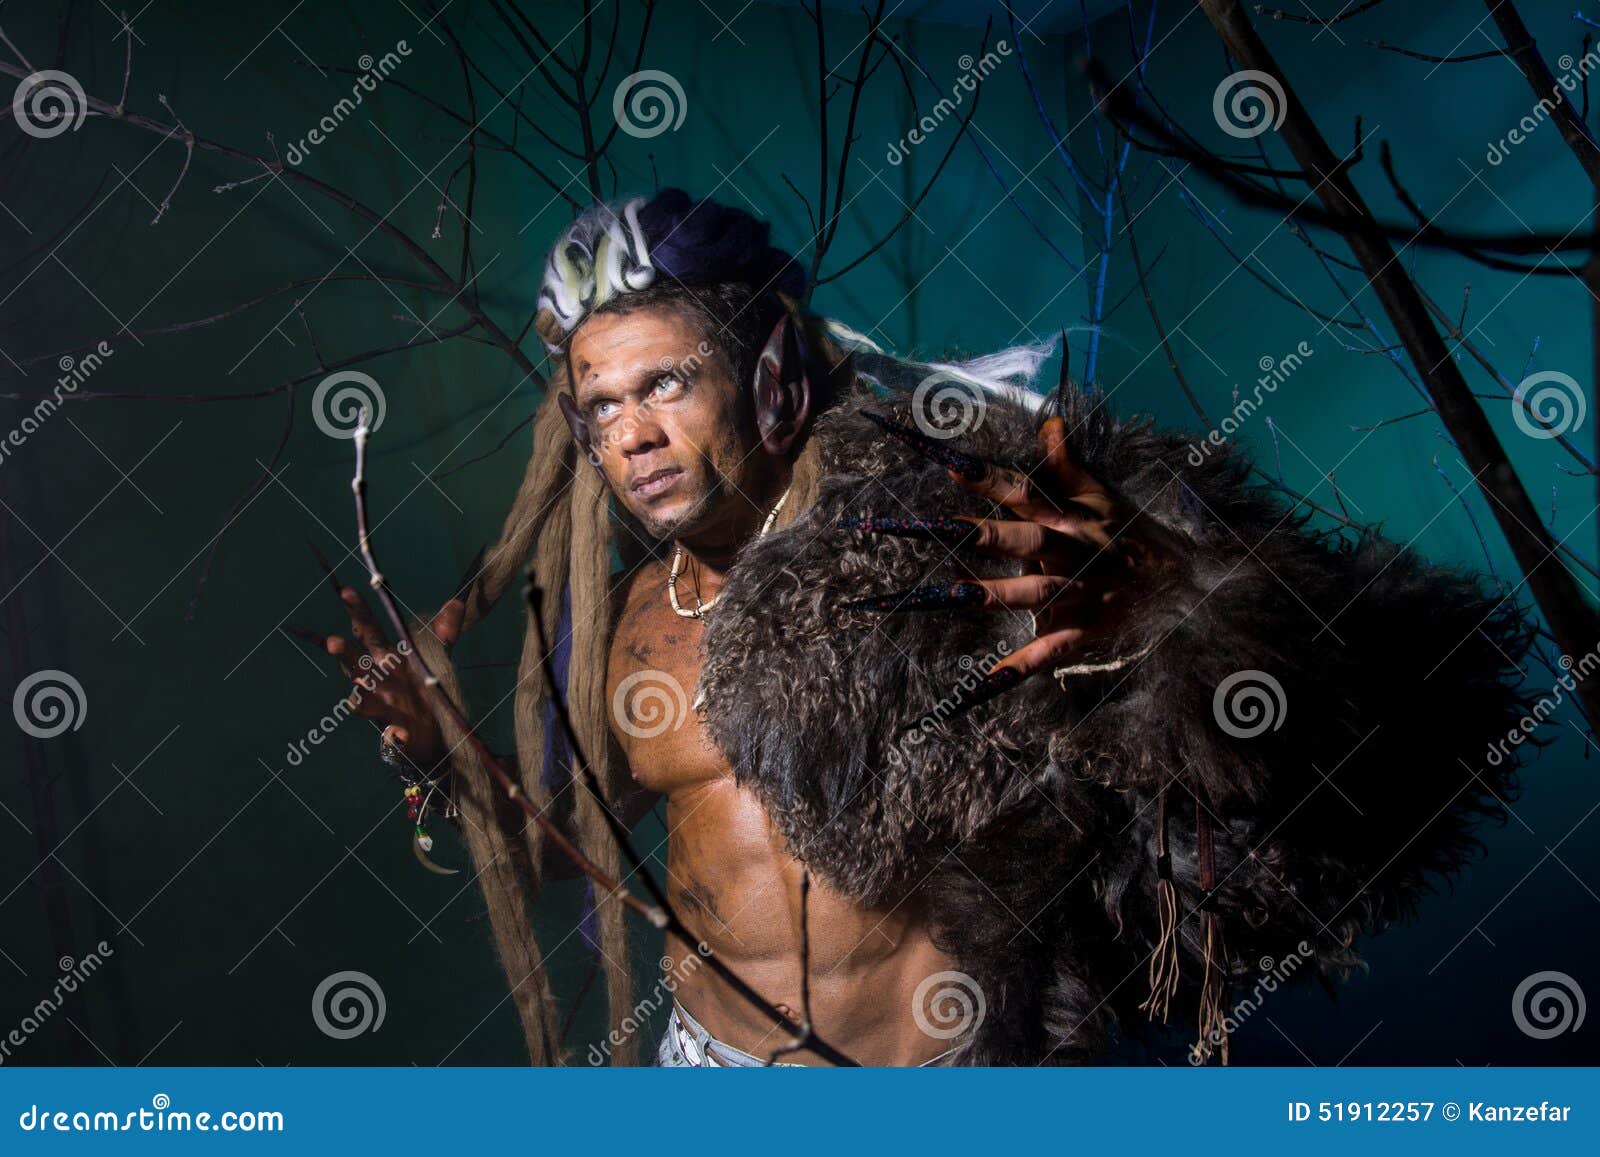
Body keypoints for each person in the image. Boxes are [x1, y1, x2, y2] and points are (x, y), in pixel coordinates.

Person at [318, 189, 1534, 1066]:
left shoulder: (957, 537)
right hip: (710, 1071)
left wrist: (1171, 613)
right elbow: (563, 852)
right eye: (601, 402)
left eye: (665, 383)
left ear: (771, 373)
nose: (629, 431)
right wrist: (444, 760)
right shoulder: (627, 624)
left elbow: (1352, 742)